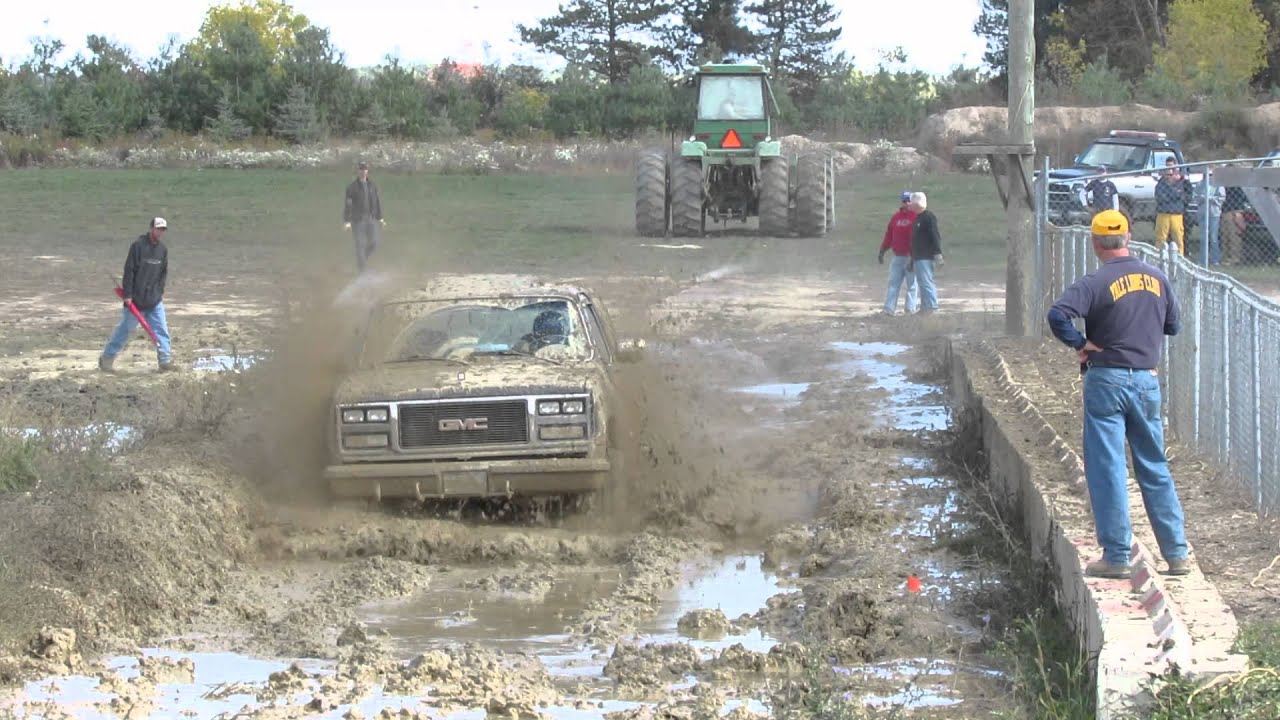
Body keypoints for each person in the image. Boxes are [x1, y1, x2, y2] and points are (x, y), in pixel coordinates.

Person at [1046, 209, 1189, 579]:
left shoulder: (1095, 281)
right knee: (1154, 465)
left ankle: (1117, 556)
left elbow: (1058, 314)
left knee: (1108, 466)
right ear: (1127, 238)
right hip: (1145, 380)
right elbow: (1173, 325)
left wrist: (1080, 343)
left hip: (1106, 379)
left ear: (1095, 243)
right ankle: (1176, 554)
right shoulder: (1157, 277)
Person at [98, 217, 175, 373]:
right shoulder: (138, 246)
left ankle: (165, 362)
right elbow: (129, 270)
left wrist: (159, 292)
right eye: (158, 228)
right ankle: (107, 358)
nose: (160, 232)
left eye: (162, 229)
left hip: (154, 300)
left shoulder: (162, 250)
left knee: (161, 330)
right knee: (124, 330)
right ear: (151, 228)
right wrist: (128, 295)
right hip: (135, 301)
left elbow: (162, 274)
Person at [878, 191, 919, 316]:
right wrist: (882, 250)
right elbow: (889, 235)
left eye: (908, 200)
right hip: (898, 256)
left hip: (911, 256)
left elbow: (919, 238)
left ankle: (910, 309)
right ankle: (889, 309)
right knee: (893, 283)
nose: (906, 203)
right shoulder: (896, 217)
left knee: (911, 285)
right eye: (904, 200)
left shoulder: (916, 217)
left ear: (913, 202)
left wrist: (915, 256)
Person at [343, 160, 386, 272]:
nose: (363, 171)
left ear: (368, 171)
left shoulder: (372, 186)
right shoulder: (351, 187)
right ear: (358, 171)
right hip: (358, 221)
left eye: (365, 169)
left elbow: (377, 202)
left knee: (374, 243)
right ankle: (362, 270)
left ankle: (361, 261)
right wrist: (347, 221)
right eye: (361, 169)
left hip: (371, 219)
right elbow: (348, 205)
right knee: (360, 245)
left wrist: (380, 218)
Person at [907, 192, 943, 313]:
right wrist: (912, 258)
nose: (909, 205)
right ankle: (924, 307)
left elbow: (935, 235)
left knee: (927, 282)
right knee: (922, 283)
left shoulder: (928, 217)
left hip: (926, 256)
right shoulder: (917, 218)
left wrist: (938, 253)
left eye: (911, 203)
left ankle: (932, 307)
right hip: (917, 256)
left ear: (917, 203)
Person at [1154, 157, 1193, 256]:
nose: (1170, 169)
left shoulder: (1182, 182)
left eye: (1172, 166)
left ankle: (1180, 258)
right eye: (1167, 166)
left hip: (1177, 213)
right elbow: (1160, 196)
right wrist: (1175, 194)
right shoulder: (1161, 182)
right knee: (1160, 238)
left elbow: (1185, 196)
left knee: (1178, 238)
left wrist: (1175, 195)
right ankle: (1159, 257)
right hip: (1163, 213)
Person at [1197, 164, 1225, 266]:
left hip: (1214, 214)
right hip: (1203, 213)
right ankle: (1202, 259)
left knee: (1213, 237)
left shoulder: (1218, 185)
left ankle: (1215, 259)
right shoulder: (1200, 184)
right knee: (1203, 237)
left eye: (1210, 174)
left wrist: (1211, 199)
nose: (1208, 176)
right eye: (1207, 174)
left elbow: (1222, 198)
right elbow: (1195, 197)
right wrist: (1202, 198)